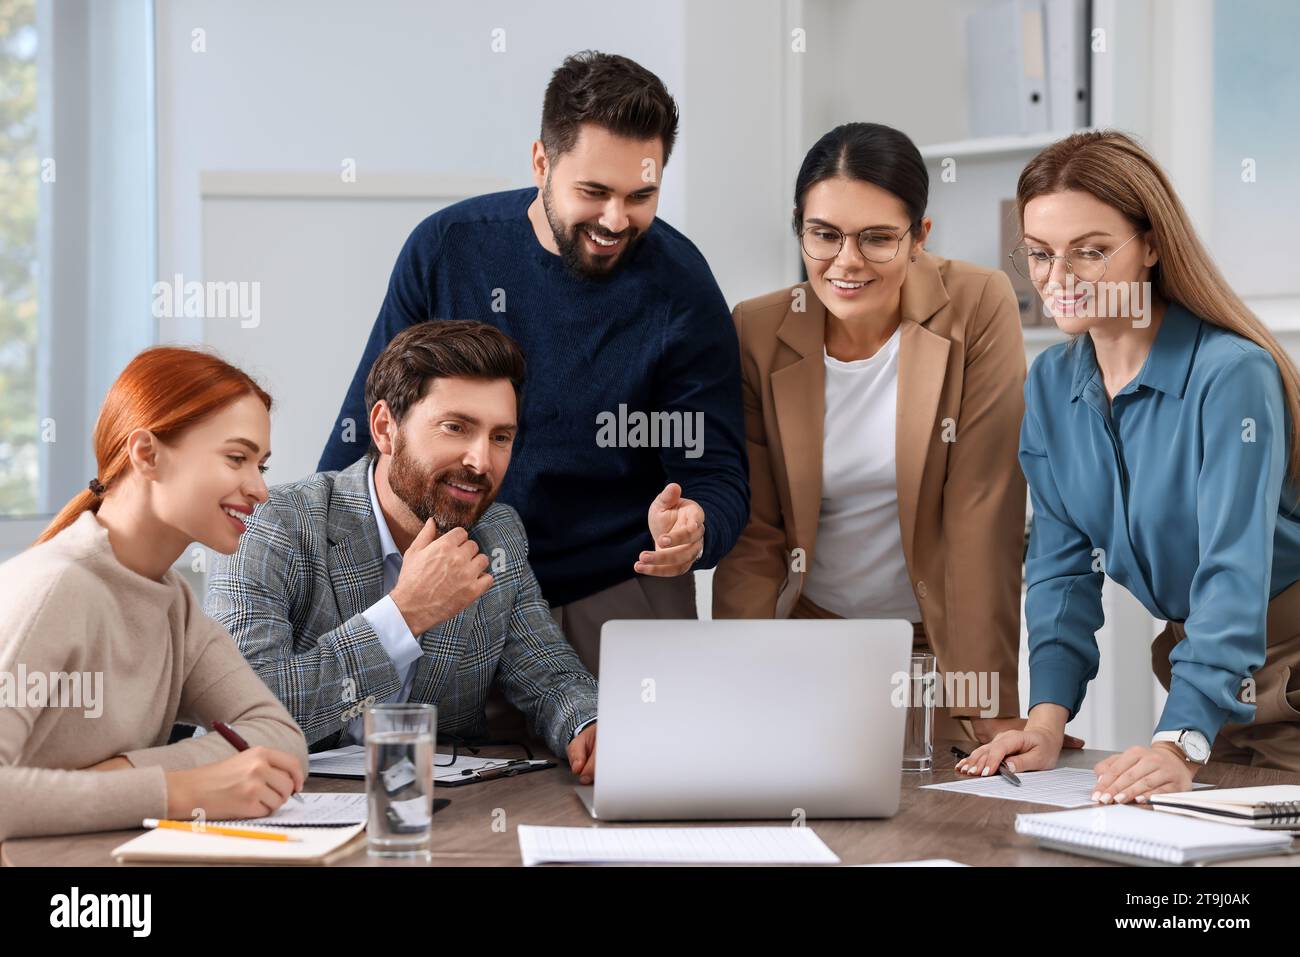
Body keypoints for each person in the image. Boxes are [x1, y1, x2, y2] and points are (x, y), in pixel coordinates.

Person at [316, 51, 748, 676]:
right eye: (593, 192)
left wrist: (696, 530)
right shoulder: (445, 249)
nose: (615, 220)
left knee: (642, 769)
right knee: (462, 770)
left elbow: (720, 475)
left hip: (618, 590)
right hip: (458, 576)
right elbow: (367, 431)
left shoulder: (683, 287)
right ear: (541, 162)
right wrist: (317, 561)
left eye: (641, 195)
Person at [960, 130, 1300, 800]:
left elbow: (1233, 570)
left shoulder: (1232, 375)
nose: (1059, 280)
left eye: (1089, 251)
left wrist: (1181, 738)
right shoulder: (1053, 383)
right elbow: (1061, 570)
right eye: (1040, 255)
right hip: (1206, 673)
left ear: (1150, 245)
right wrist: (1047, 718)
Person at [713, 123, 1061, 748]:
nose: (846, 262)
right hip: (807, 638)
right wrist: (736, 679)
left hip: (935, 645)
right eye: (823, 235)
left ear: (920, 237)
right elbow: (757, 534)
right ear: (800, 229)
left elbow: (982, 511)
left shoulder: (978, 305)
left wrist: (988, 701)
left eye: (877, 239)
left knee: (946, 827)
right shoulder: (757, 330)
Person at [207, 321, 600, 781]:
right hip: (283, 807)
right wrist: (403, 614)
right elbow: (236, 718)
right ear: (384, 429)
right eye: (455, 428)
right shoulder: (275, 524)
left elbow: (550, 674)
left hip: (442, 815)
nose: (481, 461)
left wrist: (588, 724)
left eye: (500, 437)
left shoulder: (497, 534)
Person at [0, 347, 309, 841]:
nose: (259, 489)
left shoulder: (174, 604)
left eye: (262, 467)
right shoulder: (57, 589)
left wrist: (121, 775)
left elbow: (282, 739)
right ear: (146, 453)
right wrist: (180, 791)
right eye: (236, 458)